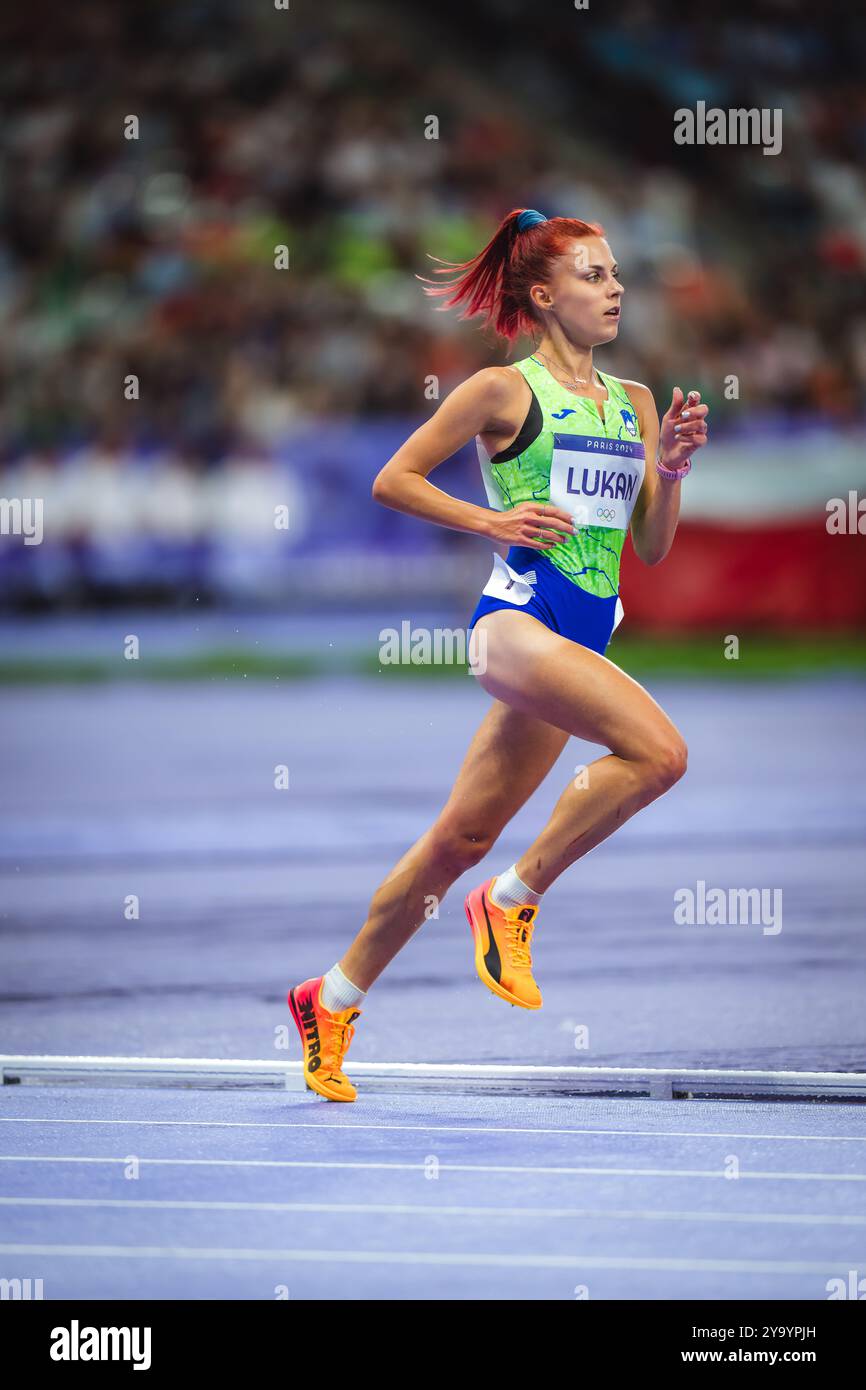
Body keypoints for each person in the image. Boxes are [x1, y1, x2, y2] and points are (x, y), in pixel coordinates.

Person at [288, 208, 709, 1101]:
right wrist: (491, 519)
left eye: (616, 274)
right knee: (662, 754)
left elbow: (654, 547)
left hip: (583, 635)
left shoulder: (632, 403)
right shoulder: (499, 392)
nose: (615, 288)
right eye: (594, 276)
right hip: (517, 626)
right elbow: (391, 479)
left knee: (460, 838)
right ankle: (513, 900)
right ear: (545, 293)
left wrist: (668, 468)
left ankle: (330, 998)